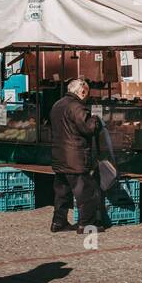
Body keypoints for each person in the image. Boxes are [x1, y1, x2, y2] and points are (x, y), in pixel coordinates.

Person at [50, 77, 106, 234]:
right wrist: (95, 119)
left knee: (62, 194)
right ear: (82, 91)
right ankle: (87, 225)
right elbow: (89, 128)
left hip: (59, 157)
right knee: (85, 193)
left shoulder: (57, 104)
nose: (87, 97)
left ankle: (58, 222)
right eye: (86, 93)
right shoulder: (77, 107)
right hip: (75, 158)